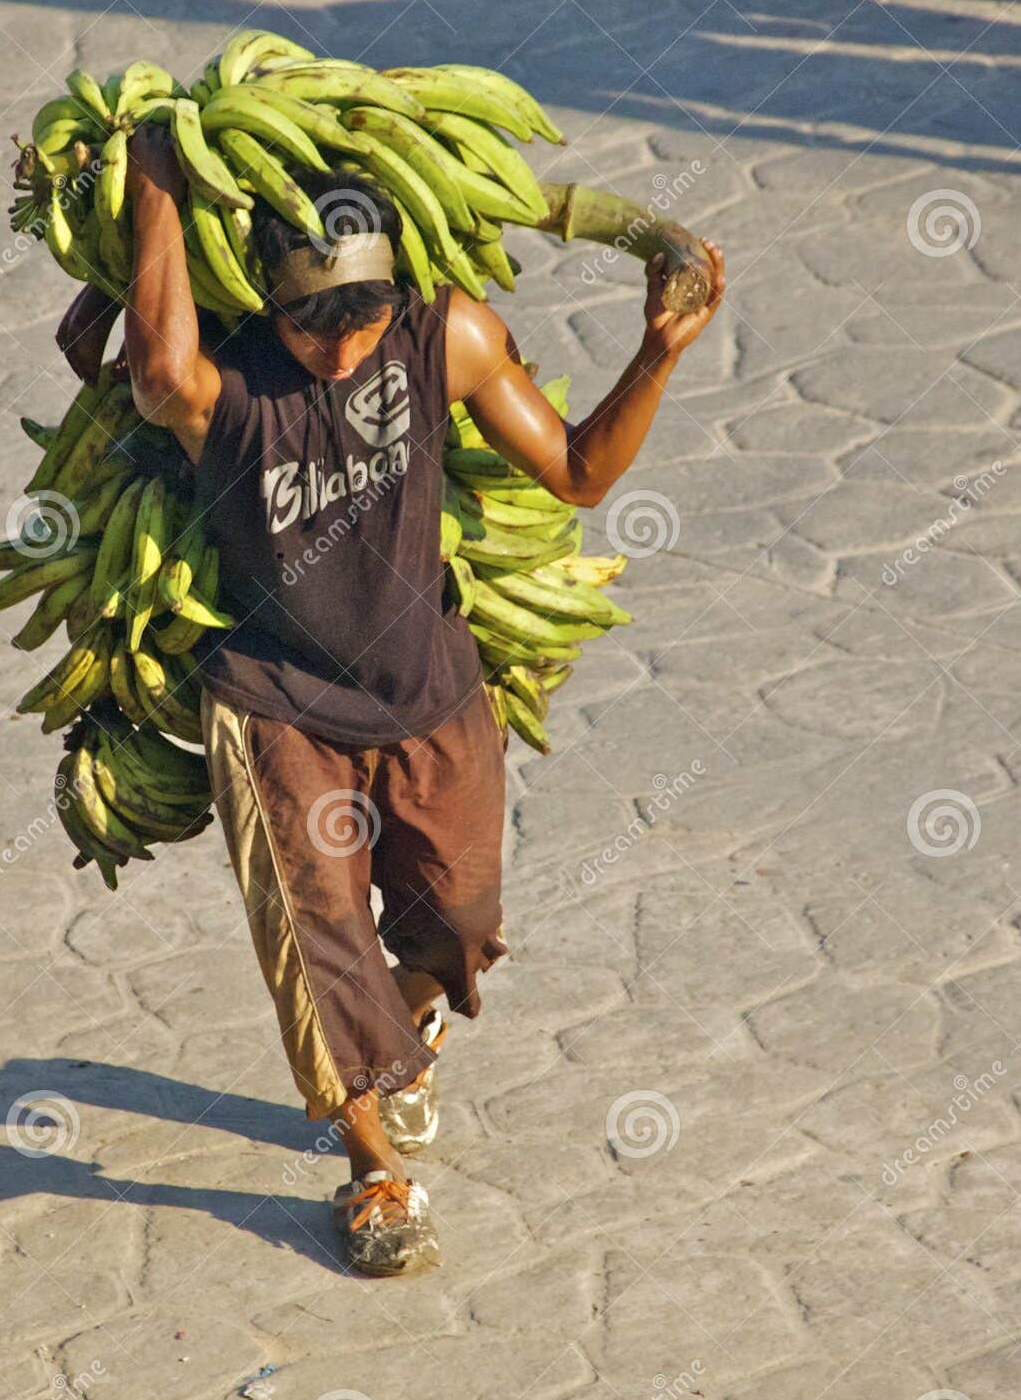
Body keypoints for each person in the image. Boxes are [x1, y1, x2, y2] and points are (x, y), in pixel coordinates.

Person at [56, 123, 726, 1278]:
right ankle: (373, 1170)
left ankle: (399, 1017)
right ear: (268, 297)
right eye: (310, 319)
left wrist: (657, 351)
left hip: (427, 687)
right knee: (320, 941)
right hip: (276, 704)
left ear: (393, 293)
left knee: (462, 920)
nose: (337, 343)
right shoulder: (227, 382)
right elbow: (157, 372)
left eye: (356, 317)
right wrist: (158, 170)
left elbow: (578, 472)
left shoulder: (443, 341)